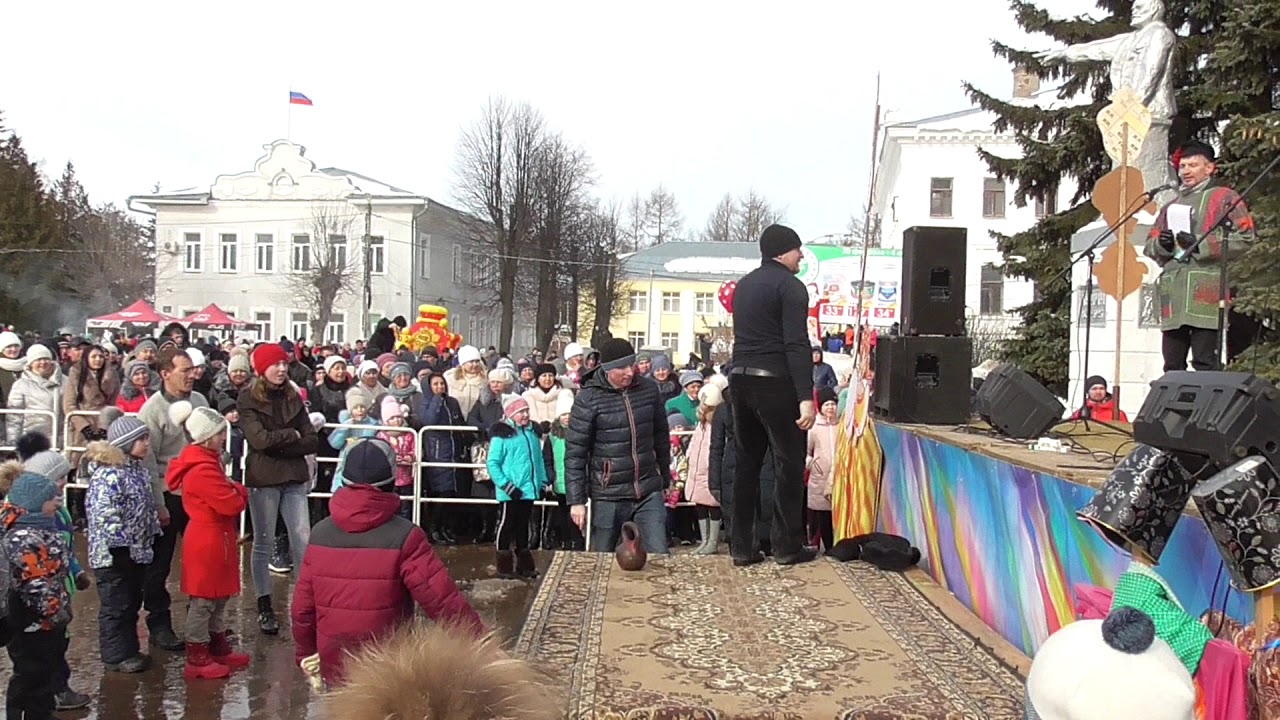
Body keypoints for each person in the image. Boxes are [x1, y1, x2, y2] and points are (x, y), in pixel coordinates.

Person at [291, 439, 484, 687]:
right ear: (390, 482)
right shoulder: (405, 536)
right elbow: (442, 600)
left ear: (345, 481)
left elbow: (302, 608)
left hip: (335, 659)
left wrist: (305, 654)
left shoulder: (320, 533)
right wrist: (479, 642)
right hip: (388, 664)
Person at [727, 224, 816, 567]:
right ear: (783, 252)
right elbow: (796, 343)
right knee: (788, 462)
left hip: (740, 378)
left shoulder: (745, 285)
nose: (801, 256)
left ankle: (743, 546)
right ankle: (786, 546)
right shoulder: (791, 287)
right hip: (775, 381)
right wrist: (805, 395)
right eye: (798, 250)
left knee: (746, 464)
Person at [1143, 139, 1256, 372]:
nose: (1185, 171)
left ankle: (1205, 409)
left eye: (1192, 165)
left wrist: (1202, 245)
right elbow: (1149, 246)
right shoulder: (1170, 206)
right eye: (1182, 166)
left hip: (1207, 290)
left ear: (1209, 168)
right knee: (1172, 364)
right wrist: (1162, 244)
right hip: (1174, 293)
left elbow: (1246, 238)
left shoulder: (1225, 197)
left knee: (1205, 362)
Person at [237, 342, 319, 636]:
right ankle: (264, 606)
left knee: (302, 540)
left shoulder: (292, 396)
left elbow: (311, 439)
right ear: (262, 368)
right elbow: (258, 440)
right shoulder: (247, 399)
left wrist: (282, 441)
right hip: (264, 478)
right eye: (276, 364)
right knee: (263, 542)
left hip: (294, 476)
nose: (282, 369)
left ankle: (305, 605)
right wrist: (290, 436)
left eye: (285, 364)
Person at [165, 401, 251, 679]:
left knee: (217, 598)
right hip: (208, 538)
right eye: (218, 434)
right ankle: (198, 658)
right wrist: (239, 491)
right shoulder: (202, 469)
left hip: (215, 536)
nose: (223, 437)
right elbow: (230, 503)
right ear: (205, 437)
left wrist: (234, 491)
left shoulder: (206, 463)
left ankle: (217, 648)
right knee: (203, 602)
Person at [565, 338, 672, 554]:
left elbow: (661, 436)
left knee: (659, 557)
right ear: (606, 369)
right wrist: (576, 501)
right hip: (608, 493)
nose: (629, 372)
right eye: (621, 367)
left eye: (631, 365)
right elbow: (575, 453)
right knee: (601, 559)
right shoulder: (588, 398)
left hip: (647, 489)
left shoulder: (649, 390)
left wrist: (665, 479)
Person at [137, 344, 205, 652]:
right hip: (168, 492)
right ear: (165, 374)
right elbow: (148, 462)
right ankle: (159, 623)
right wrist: (159, 504)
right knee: (160, 563)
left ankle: (199, 623)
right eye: (184, 370)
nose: (191, 375)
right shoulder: (152, 410)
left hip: (198, 492)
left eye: (192, 370)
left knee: (201, 559)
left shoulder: (201, 401)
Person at [85, 416, 162, 674]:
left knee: (131, 603)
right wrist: (118, 549)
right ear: (126, 444)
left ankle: (129, 650)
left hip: (136, 552)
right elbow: (105, 514)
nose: (146, 444)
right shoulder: (109, 475)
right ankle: (114, 656)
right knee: (115, 606)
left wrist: (153, 532)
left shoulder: (136, 470)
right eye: (141, 439)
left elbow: (143, 508)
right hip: (113, 557)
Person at [1, 472, 72, 720]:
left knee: (45, 671)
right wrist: (54, 609)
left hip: (45, 622)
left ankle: (40, 712)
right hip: (31, 622)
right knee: (31, 673)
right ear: (35, 503)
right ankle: (21, 714)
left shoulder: (41, 529)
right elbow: (35, 583)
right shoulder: (24, 538)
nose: (57, 503)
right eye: (52, 499)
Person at [488, 395, 550, 580]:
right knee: (506, 525)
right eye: (520, 412)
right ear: (510, 414)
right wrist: (507, 486)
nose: (525, 415)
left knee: (523, 526)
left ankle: (525, 565)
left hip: (528, 489)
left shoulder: (531, 434)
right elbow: (492, 464)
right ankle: (504, 565)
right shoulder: (502, 437)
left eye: (526, 411)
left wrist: (542, 483)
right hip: (511, 491)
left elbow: (538, 461)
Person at [806, 387, 840, 554]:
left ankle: (834, 546)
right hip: (819, 476)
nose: (830, 408)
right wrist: (812, 464)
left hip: (838, 477)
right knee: (822, 515)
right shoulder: (814, 427)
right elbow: (805, 451)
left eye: (833, 404)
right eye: (827, 404)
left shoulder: (841, 427)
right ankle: (824, 546)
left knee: (835, 514)